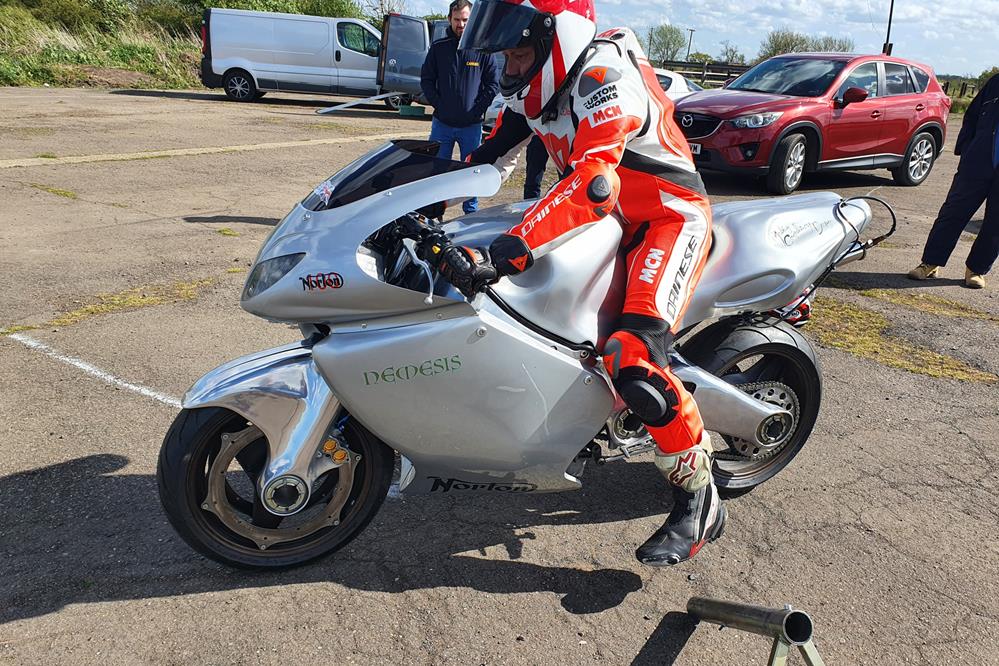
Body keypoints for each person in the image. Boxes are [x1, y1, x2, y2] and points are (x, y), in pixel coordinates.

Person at [437, 0, 724, 566]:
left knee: (632, 359)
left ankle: (700, 498)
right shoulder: (539, 86)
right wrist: (412, 186)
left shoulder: (601, 76)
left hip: (665, 219)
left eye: (519, 51)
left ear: (555, 37)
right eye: (506, 52)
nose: (511, 65)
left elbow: (594, 181)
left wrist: (508, 250)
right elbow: (486, 151)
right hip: (611, 220)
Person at [909, 73, 999, 289]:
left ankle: (976, 270)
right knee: (953, 212)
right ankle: (930, 262)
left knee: (996, 223)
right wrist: (967, 150)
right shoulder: (996, 83)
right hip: (977, 162)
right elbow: (972, 116)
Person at [420, 0, 501, 214]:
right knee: (437, 172)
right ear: (449, 19)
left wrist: (477, 109)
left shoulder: (483, 49)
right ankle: (433, 214)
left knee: (471, 173)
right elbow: (426, 79)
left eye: (465, 19)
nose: (461, 24)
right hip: (442, 125)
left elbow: (493, 83)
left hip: (471, 127)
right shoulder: (439, 48)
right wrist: (439, 104)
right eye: (457, 20)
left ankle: (470, 214)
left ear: (472, 19)